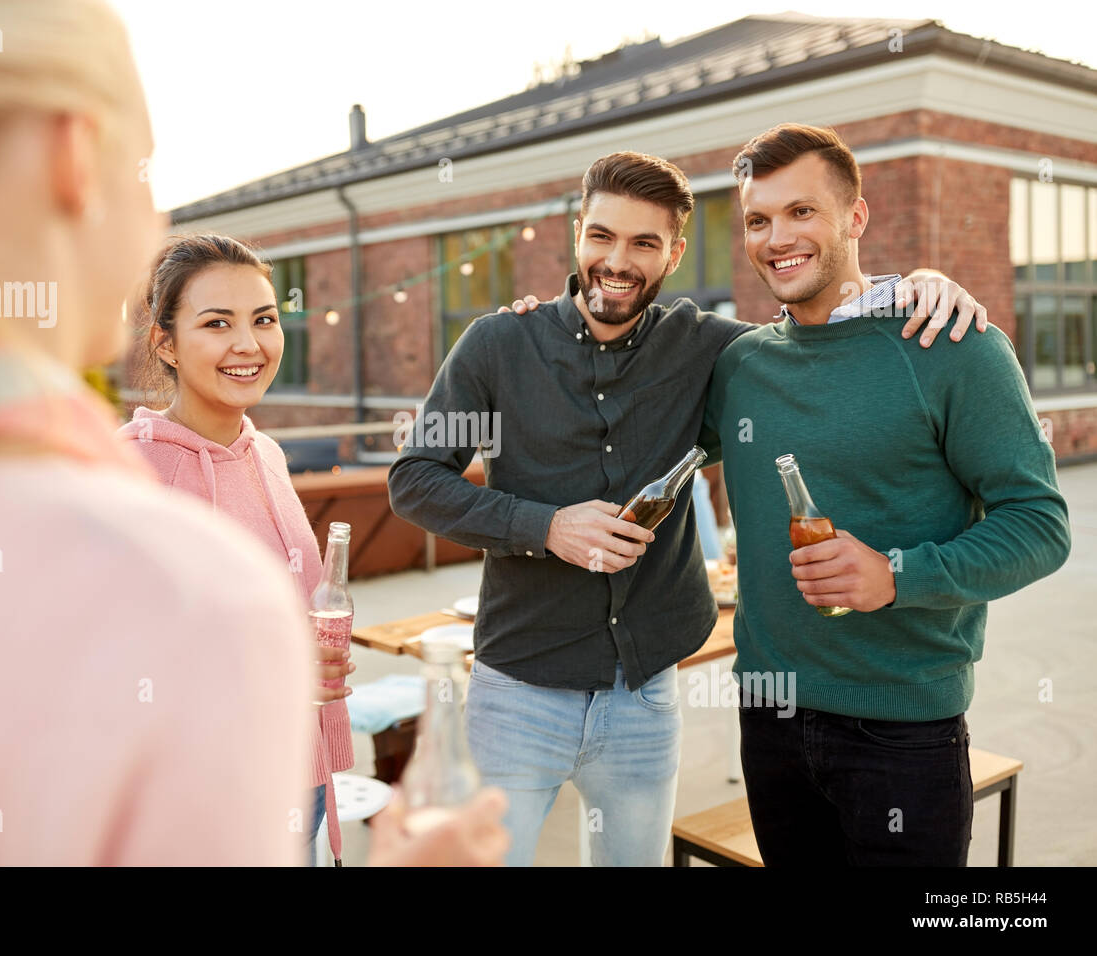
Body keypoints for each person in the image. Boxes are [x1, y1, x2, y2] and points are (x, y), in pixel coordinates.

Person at [0, 0, 505, 867]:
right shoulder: (178, 585)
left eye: (262, 320)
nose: (247, 344)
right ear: (76, 156)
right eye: (148, 168)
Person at [388, 149, 983, 866]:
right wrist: (545, 527)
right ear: (577, 233)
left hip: (644, 697)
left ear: (674, 253)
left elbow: (818, 340)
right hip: (516, 693)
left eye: (644, 242)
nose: (618, 259)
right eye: (602, 236)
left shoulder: (714, 349)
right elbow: (414, 478)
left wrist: (915, 287)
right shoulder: (497, 344)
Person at [695, 123, 1070, 865]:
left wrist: (895, 576)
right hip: (768, 715)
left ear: (855, 219)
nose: (777, 237)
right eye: (759, 220)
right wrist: (537, 323)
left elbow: (1040, 525)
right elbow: (619, 387)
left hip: (902, 732)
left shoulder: (953, 345)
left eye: (802, 212)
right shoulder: (739, 365)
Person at [118, 234, 355, 866]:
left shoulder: (268, 455)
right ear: (164, 343)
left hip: (297, 777)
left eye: (265, 320)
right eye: (217, 323)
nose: (248, 344)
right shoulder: (127, 470)